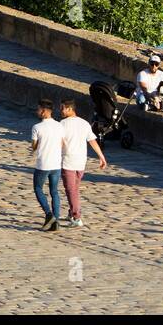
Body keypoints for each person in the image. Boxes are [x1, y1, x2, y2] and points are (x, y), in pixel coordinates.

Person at [59, 98, 106, 228]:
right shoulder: (85, 123)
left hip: (68, 161)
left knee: (71, 190)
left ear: (69, 109)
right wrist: (101, 156)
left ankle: (76, 216)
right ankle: (72, 211)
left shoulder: (62, 124)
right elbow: (92, 141)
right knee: (74, 189)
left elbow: (60, 142)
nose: (61, 110)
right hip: (81, 162)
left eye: (62, 108)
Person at [31, 99, 64, 231]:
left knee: (38, 188)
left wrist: (37, 145)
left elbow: (34, 146)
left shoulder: (37, 127)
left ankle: (49, 214)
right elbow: (62, 143)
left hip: (43, 163)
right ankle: (56, 220)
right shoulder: (60, 126)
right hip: (56, 163)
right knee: (54, 191)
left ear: (44, 111)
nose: (37, 111)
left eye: (38, 109)